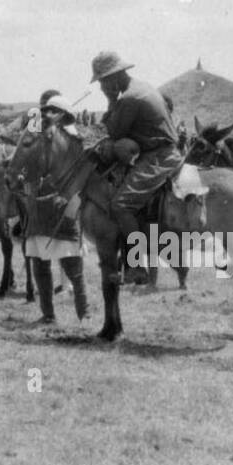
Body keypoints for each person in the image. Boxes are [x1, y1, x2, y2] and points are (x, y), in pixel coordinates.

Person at [88, 51, 183, 288]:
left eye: (103, 81)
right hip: (159, 153)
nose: (102, 86)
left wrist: (110, 100)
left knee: (120, 205)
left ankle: (135, 265)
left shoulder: (130, 98)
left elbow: (114, 132)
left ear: (115, 78)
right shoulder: (142, 88)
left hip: (158, 158)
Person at [25, 95, 89, 324]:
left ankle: (84, 313)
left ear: (63, 117)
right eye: (46, 111)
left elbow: (83, 179)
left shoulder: (76, 143)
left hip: (63, 207)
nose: (48, 115)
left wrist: (74, 204)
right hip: (39, 208)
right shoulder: (37, 141)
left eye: (53, 111)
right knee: (40, 264)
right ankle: (48, 314)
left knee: (73, 265)